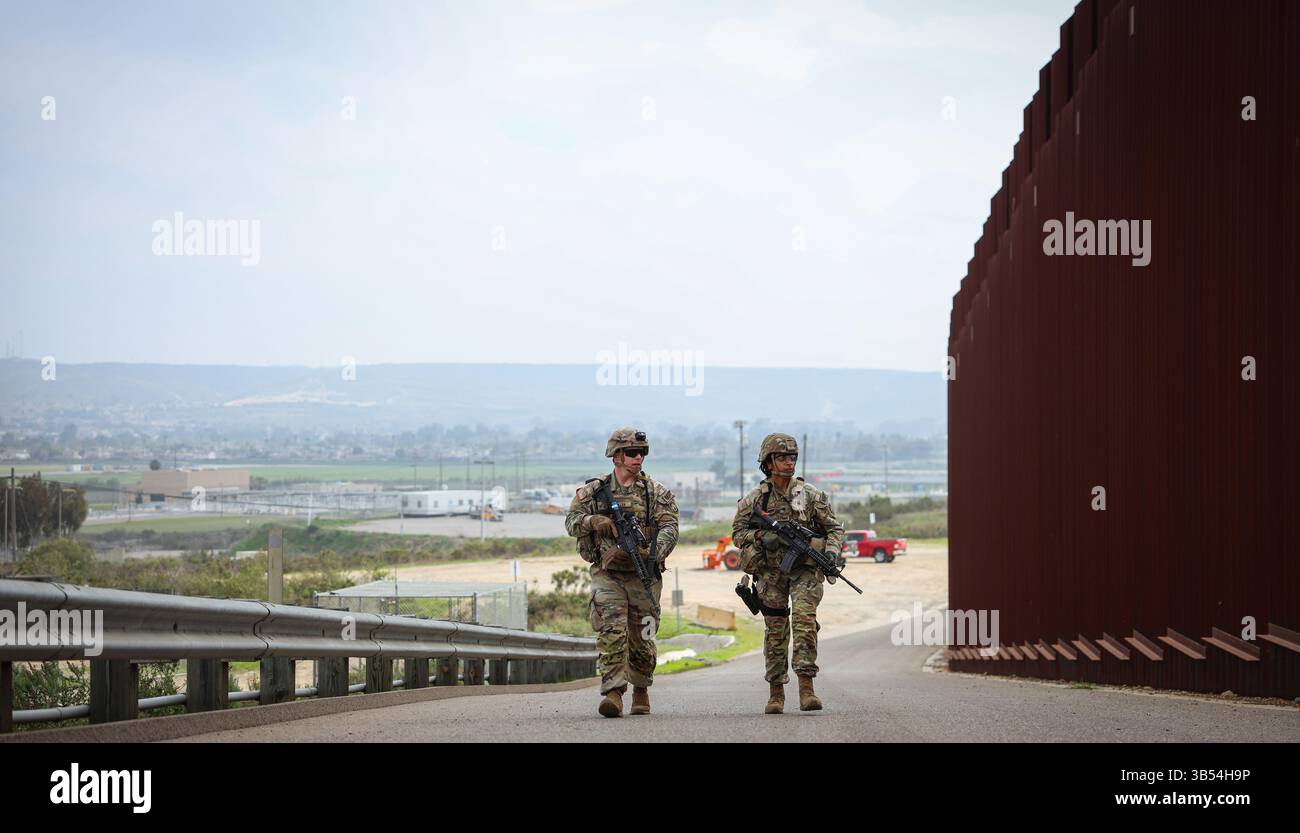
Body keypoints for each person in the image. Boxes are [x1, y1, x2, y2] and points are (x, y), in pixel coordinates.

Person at [566, 427, 679, 717]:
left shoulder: (655, 492)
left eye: (642, 453)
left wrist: (651, 552)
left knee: (643, 635)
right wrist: (594, 521)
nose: (638, 458)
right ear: (616, 455)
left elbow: (671, 527)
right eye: (631, 452)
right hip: (609, 574)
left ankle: (641, 689)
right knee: (611, 631)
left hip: (645, 575)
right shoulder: (594, 491)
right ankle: (614, 693)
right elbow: (571, 522)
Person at [731, 432, 844, 713]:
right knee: (775, 630)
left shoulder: (810, 496)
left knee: (805, 623)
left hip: (805, 570)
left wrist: (830, 552)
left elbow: (834, 528)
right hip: (771, 573)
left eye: (792, 457)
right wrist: (760, 537)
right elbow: (737, 533)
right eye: (781, 457)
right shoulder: (756, 499)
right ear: (768, 463)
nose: (788, 462)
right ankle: (776, 693)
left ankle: (807, 689)